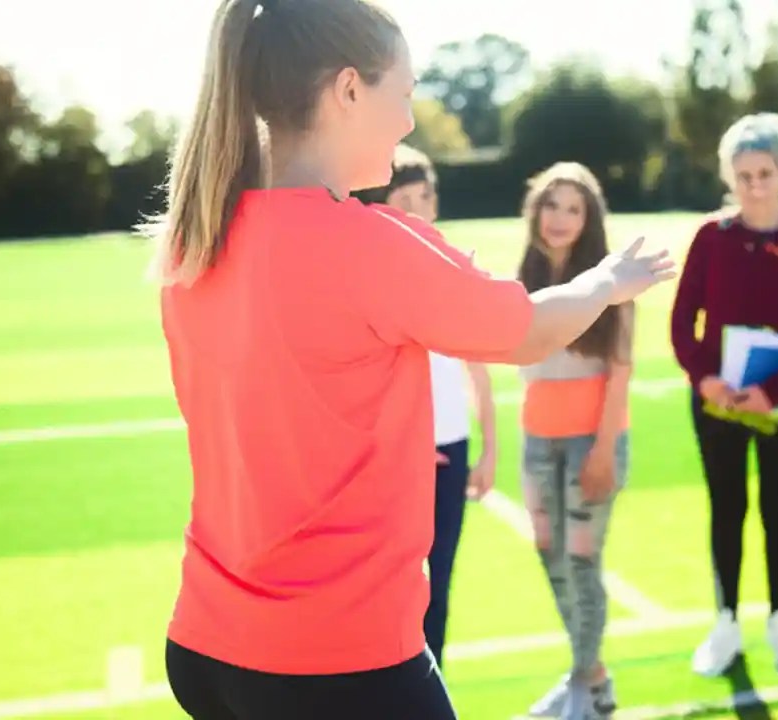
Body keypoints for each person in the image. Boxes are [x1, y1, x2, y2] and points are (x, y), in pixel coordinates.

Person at [144, 2, 674, 717]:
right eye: (407, 90)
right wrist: (606, 282)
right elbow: (530, 329)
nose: (411, 118)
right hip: (335, 660)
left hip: (209, 646)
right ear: (350, 89)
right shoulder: (368, 245)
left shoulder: (192, 242)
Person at [671, 113, 778, 679]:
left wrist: (775, 391)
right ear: (729, 176)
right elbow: (681, 323)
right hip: (717, 404)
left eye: (765, 173)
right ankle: (725, 625)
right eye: (743, 175)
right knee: (727, 509)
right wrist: (704, 378)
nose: (755, 185)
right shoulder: (711, 238)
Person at [355, 143, 498, 671]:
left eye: (426, 197)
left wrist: (489, 450)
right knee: (388, 594)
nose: (418, 208)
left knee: (438, 585)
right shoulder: (370, 270)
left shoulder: (453, 267)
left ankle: (427, 695)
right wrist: (405, 449)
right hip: (395, 459)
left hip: (449, 450)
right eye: (404, 197)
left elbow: (478, 365)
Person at [516, 163, 632, 720]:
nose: (559, 219)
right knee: (549, 555)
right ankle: (592, 674)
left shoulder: (611, 285)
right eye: (551, 205)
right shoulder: (522, 279)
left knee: (583, 562)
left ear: (589, 220)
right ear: (535, 211)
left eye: (573, 208)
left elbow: (621, 373)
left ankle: (583, 685)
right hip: (537, 441)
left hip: (591, 440)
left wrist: (605, 449)